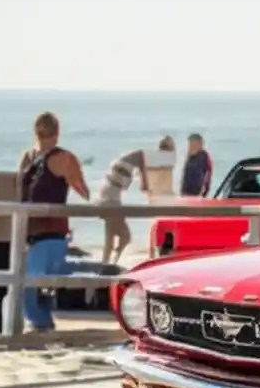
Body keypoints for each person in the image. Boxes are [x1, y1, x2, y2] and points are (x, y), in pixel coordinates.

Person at [18, 111, 89, 332]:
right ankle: (43, 325)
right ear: (57, 134)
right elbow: (83, 191)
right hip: (39, 232)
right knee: (35, 284)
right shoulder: (60, 158)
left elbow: (17, 191)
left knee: (31, 283)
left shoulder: (34, 157)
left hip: (44, 232)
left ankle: (41, 325)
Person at [96, 136, 171, 265]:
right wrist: (146, 184)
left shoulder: (140, 158)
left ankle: (107, 265)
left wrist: (148, 186)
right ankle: (108, 265)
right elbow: (143, 167)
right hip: (110, 198)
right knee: (123, 237)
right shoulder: (146, 156)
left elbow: (147, 177)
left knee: (114, 237)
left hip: (109, 195)